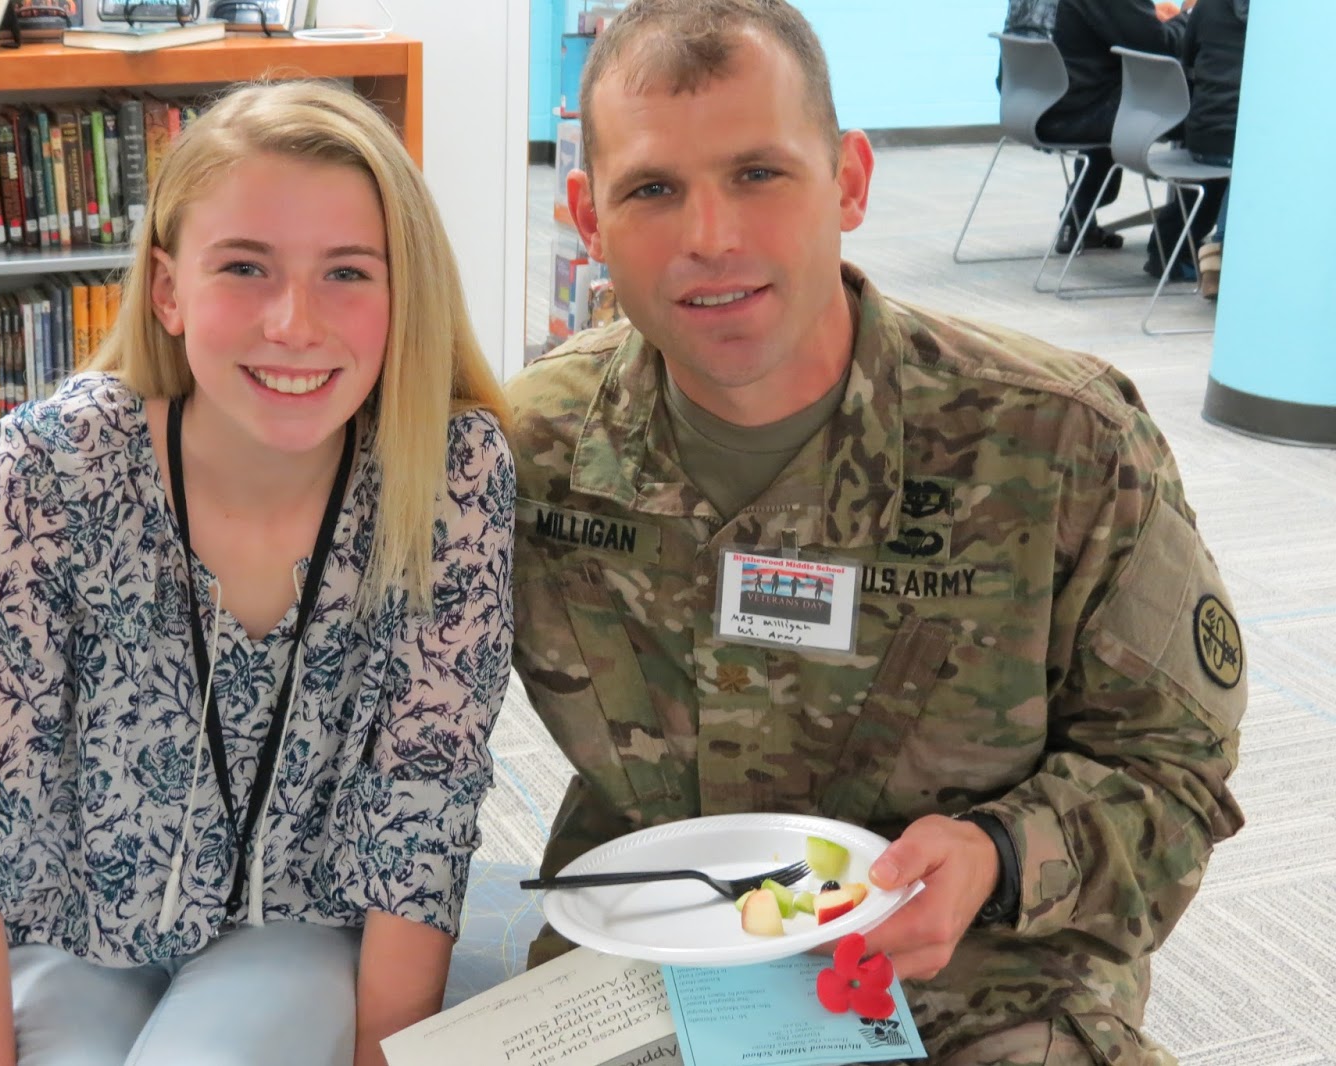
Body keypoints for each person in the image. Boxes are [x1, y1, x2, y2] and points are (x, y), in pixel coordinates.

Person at [507, 1, 1246, 1063]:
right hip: (650, 966)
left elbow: (1175, 776)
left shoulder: (1058, 441)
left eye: (758, 173)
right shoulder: (530, 449)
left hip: (980, 976)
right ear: (589, 216)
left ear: (848, 180)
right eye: (654, 189)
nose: (710, 235)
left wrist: (996, 853)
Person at [0, 80, 515, 1066]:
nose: (294, 322)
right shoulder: (54, 466)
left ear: (408, 297)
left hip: (299, 926)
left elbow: (421, 811)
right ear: (170, 289)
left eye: (348, 272)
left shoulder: (450, 473)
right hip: (80, 925)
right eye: (245, 267)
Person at [1038, 0, 1193, 255]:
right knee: (1206, 111)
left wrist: (1149, 19)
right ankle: (1178, 248)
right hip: (1077, 110)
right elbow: (1160, 45)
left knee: (1121, 98)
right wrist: (1190, 15)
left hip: (1031, 103)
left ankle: (1077, 220)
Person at [1155, 0, 1249, 297]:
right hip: (1243, 144)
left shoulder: (1207, 4)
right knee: (1259, 161)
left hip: (1200, 136)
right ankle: (1219, 252)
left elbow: (1187, 56)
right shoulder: (1285, 21)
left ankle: (1170, 248)